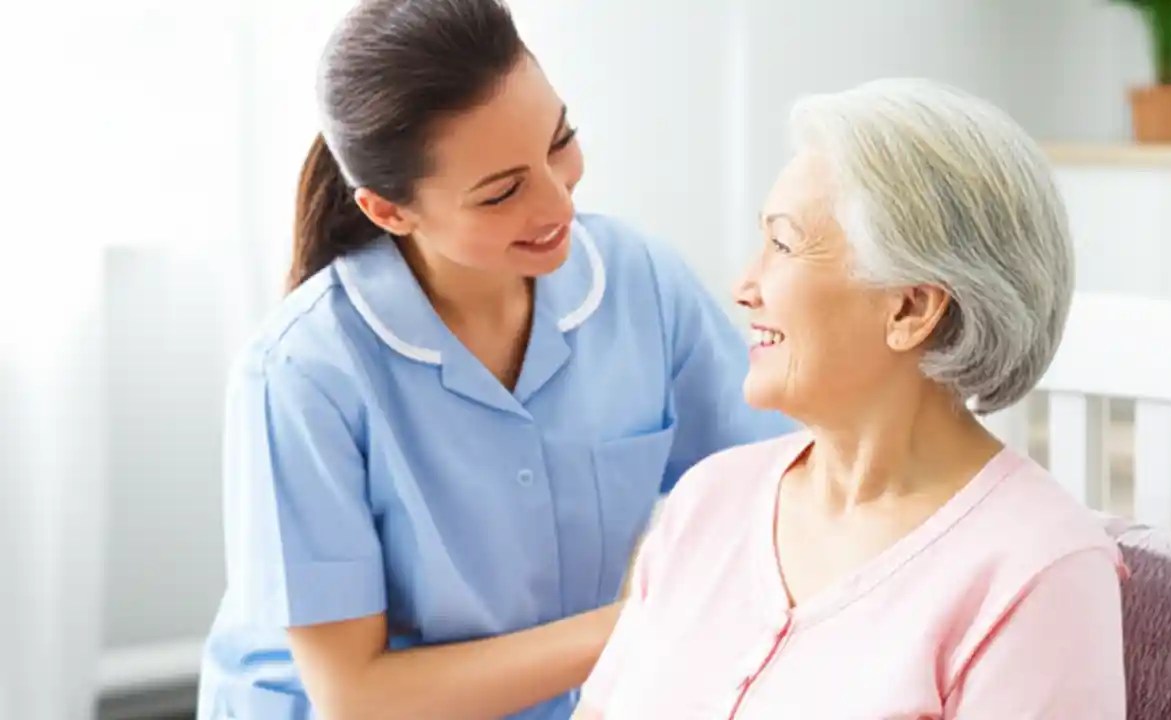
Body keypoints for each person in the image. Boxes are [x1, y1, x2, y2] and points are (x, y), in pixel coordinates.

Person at [195, 1, 793, 718]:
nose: (557, 202)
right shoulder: (301, 375)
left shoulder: (637, 281)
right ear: (391, 212)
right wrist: (649, 618)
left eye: (559, 139)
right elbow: (355, 694)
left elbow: (781, 469)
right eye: (503, 191)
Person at [577, 78, 1128, 719]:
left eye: (782, 245)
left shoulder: (1037, 573)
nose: (744, 287)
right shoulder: (709, 501)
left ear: (910, 307)